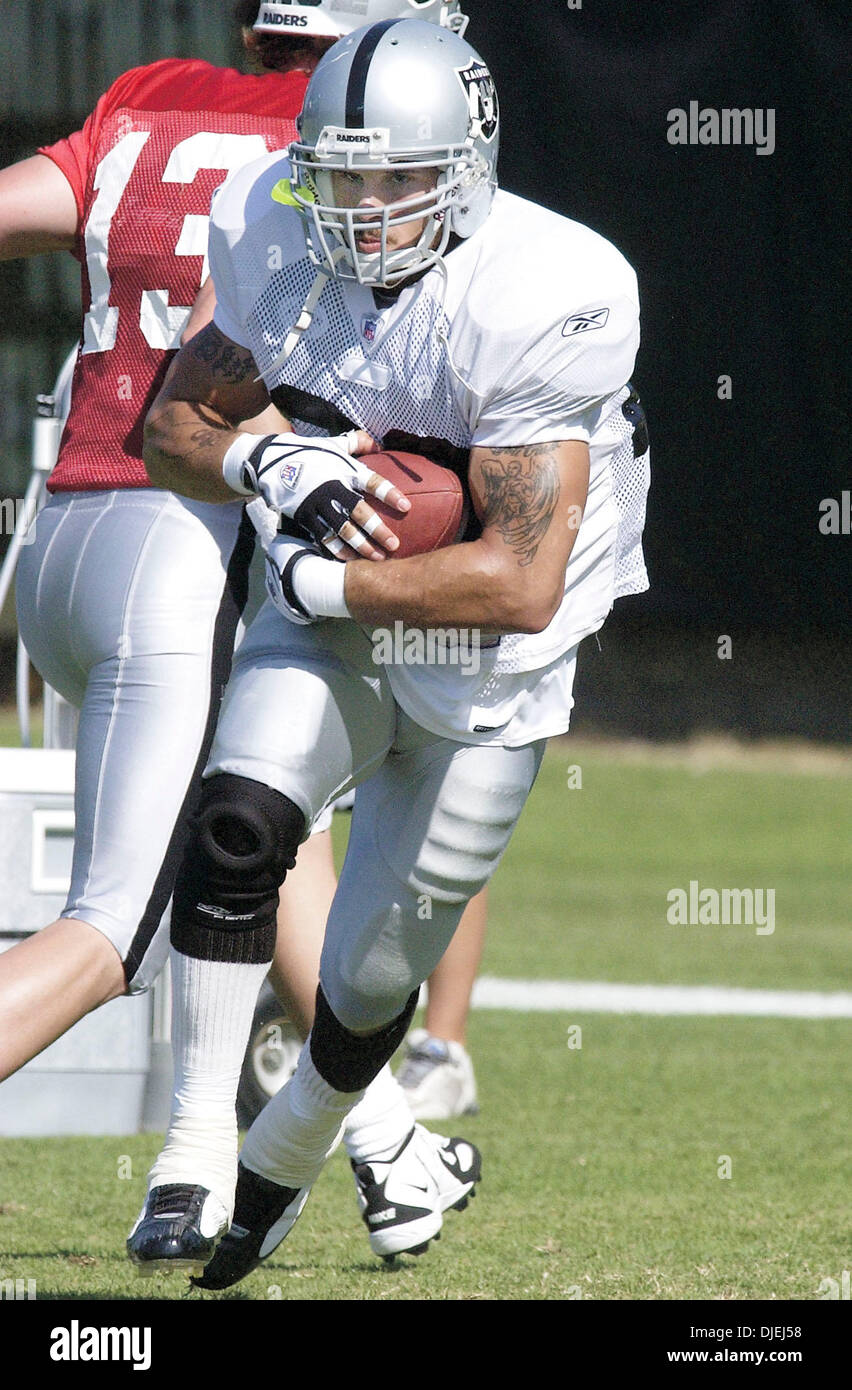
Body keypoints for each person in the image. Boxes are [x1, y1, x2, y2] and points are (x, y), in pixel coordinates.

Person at [134, 16, 651, 1289]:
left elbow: (520, 582)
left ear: (467, 167)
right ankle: (194, 1149)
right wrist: (272, 457)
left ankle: (302, 1154)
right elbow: (171, 430)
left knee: (368, 987)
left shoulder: (549, 287)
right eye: (340, 174)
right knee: (237, 824)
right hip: (334, 613)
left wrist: (317, 568)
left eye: (394, 179)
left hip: (494, 666)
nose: (361, 208)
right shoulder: (271, 223)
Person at [0, 0, 481, 1267]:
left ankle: (382, 1142)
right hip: (184, 546)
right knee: (113, 929)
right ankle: (292, 1145)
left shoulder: (151, 93)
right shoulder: (356, 134)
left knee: (262, 832)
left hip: (60, 541)